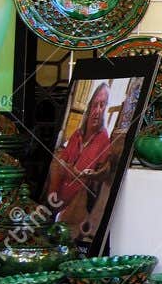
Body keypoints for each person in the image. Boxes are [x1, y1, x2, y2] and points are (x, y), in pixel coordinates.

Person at [48, 82, 114, 235]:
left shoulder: (104, 140)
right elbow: (60, 164)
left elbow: (94, 177)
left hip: (74, 212)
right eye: (95, 105)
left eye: (102, 105)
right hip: (55, 204)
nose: (97, 111)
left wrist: (78, 172)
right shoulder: (77, 134)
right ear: (89, 107)